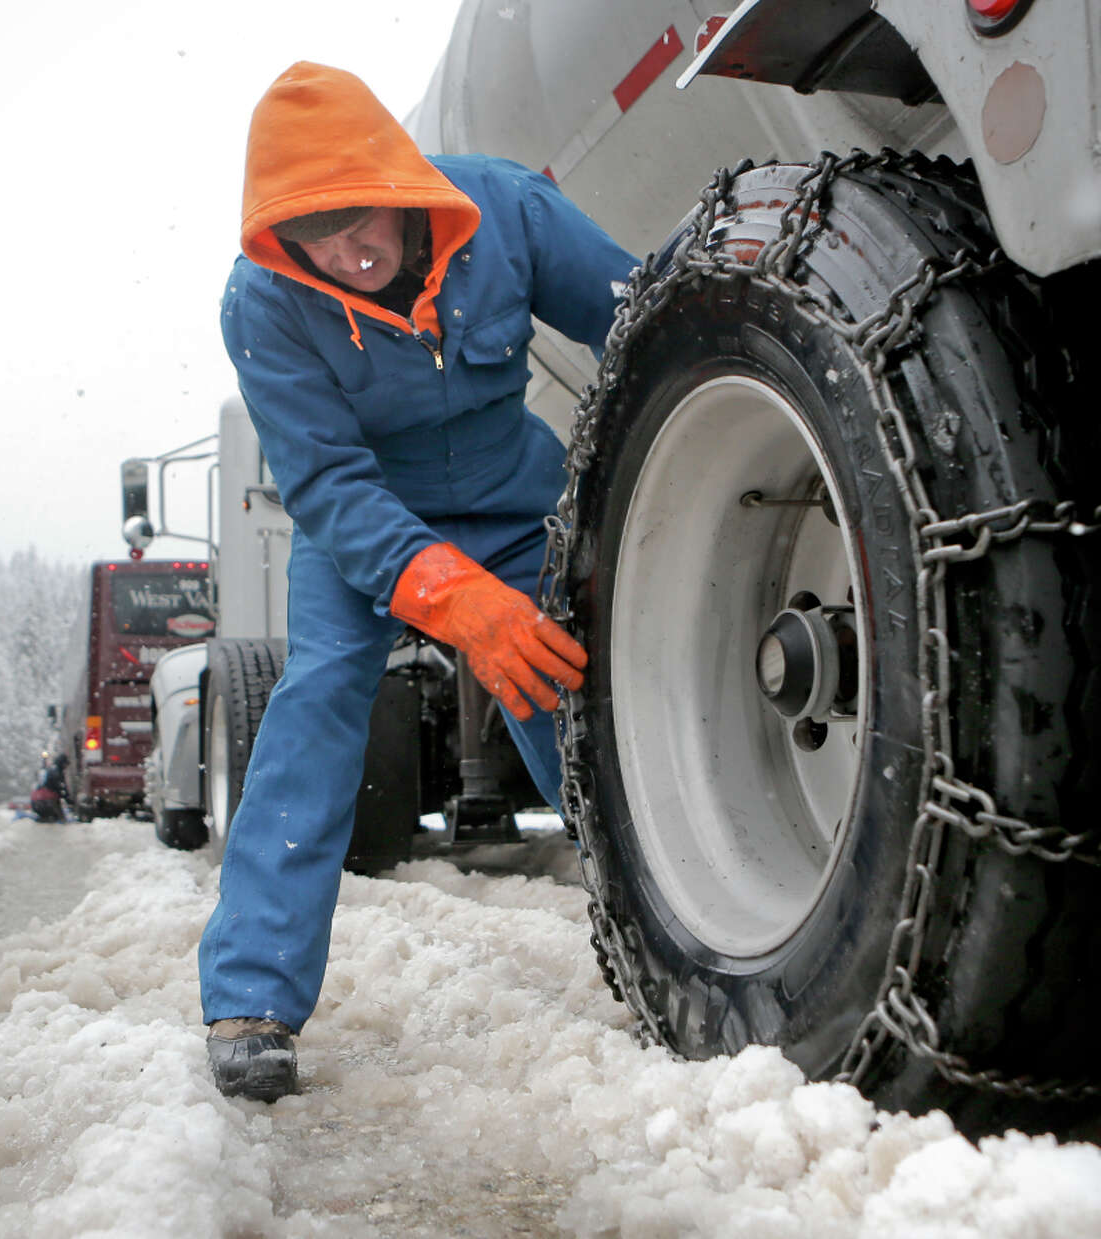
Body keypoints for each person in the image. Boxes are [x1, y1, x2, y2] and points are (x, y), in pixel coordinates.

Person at [203, 61, 638, 1101]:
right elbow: (326, 483)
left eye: (364, 230)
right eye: (317, 248)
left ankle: (657, 922)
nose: (350, 261)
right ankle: (252, 998)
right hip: (365, 532)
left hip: (516, 501)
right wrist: (450, 598)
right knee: (315, 705)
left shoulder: (506, 211)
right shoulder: (260, 304)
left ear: (401, 192)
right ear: (280, 246)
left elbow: (640, 318)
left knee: (572, 692)